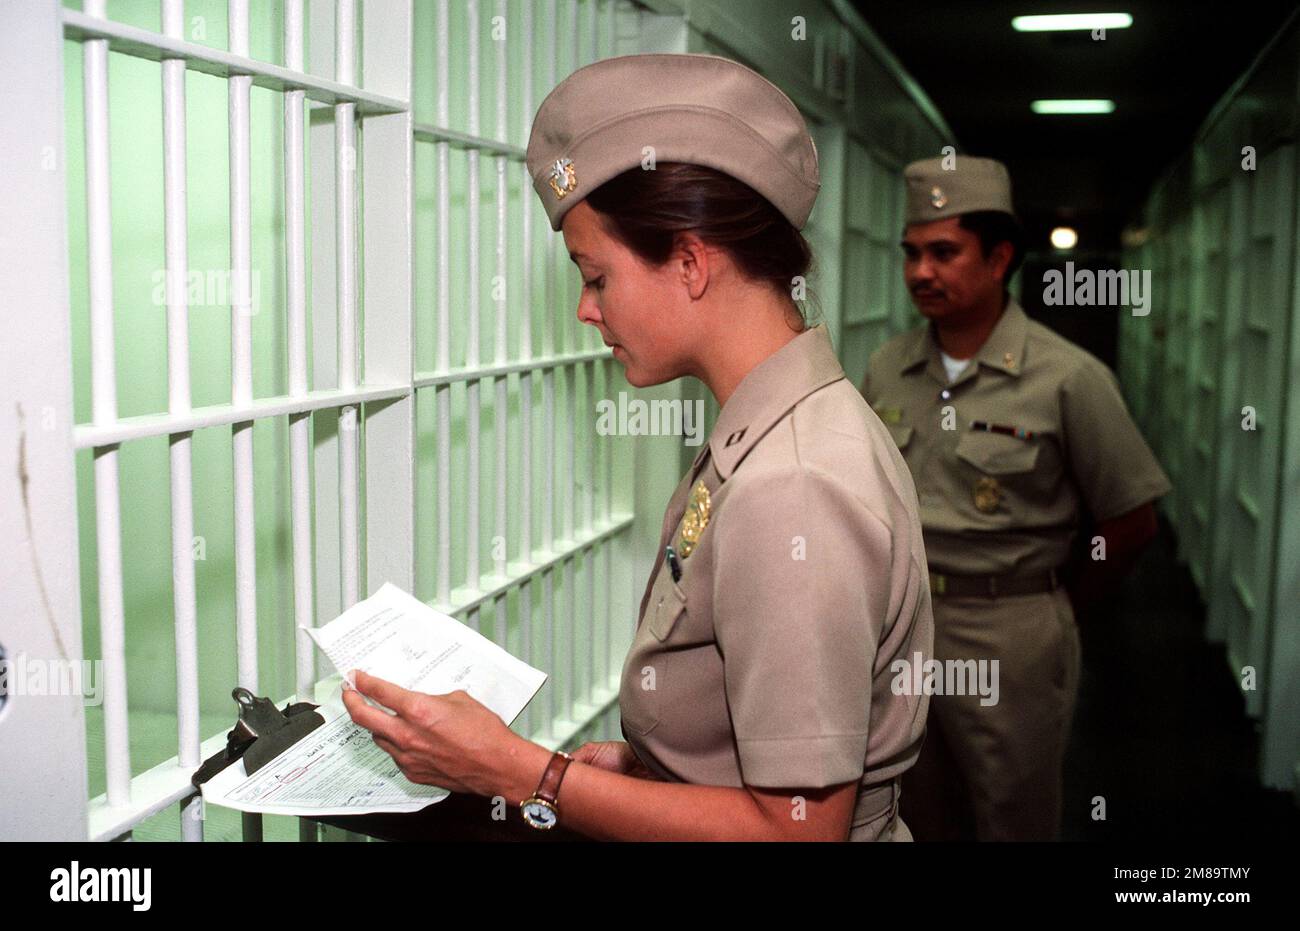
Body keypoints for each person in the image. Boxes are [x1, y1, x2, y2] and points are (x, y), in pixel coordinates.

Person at [341, 52, 933, 841]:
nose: (586, 310)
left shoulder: (791, 483)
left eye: (596, 276)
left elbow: (795, 831)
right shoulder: (777, 431)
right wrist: (664, 770)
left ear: (689, 262)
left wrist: (522, 772)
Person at [861, 155, 1172, 840]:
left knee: (1012, 816)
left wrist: (1052, 604)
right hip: (905, 626)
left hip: (1011, 631)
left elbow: (1132, 522)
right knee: (908, 814)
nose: (920, 271)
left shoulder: (1067, 378)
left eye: (944, 252)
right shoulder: (888, 368)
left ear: (999, 258)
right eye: (911, 252)